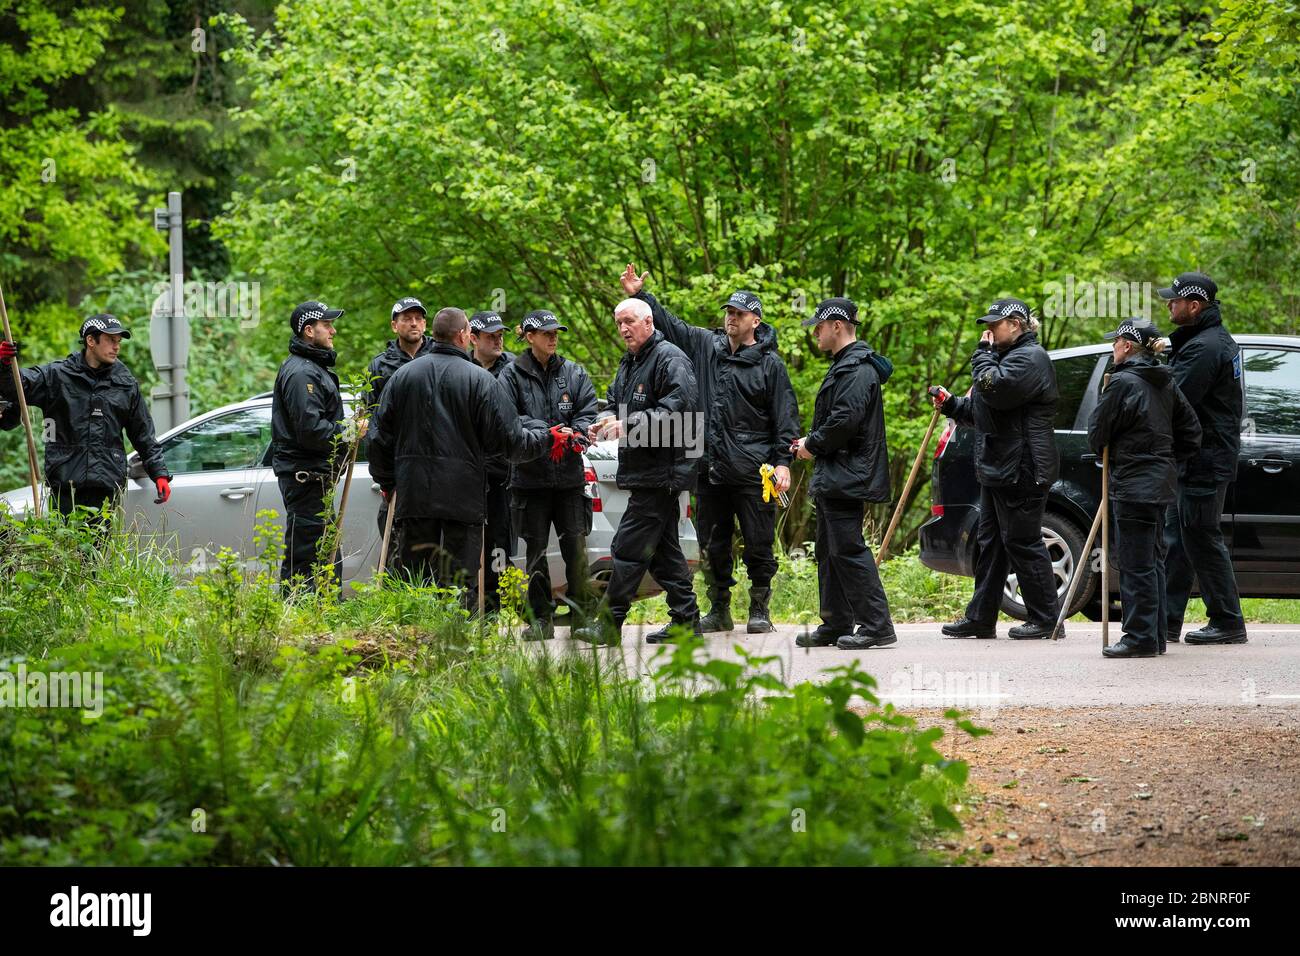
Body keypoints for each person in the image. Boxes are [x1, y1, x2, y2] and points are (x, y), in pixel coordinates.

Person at [619, 265, 800, 634]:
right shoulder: (707, 347)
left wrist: (783, 462)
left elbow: (786, 418)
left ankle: (760, 608)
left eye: (739, 314)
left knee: (758, 544)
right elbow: (670, 325)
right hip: (710, 467)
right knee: (713, 543)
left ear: (756, 321)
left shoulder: (770, 365)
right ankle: (719, 608)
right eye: (728, 313)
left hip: (753, 471)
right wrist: (641, 297)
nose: (731, 319)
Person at [367, 307, 549, 607]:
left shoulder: (402, 376)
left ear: (433, 334)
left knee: (415, 576)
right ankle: (455, 644)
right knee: (459, 579)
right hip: (462, 496)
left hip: (415, 495)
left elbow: (378, 437)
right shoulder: (480, 380)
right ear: (464, 336)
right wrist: (545, 437)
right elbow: (510, 440)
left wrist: (388, 480)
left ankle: (415, 645)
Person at [572, 297, 701, 645]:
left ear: (648, 322)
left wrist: (627, 425)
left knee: (627, 547)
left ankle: (609, 623)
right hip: (640, 468)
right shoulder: (629, 363)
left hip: (665, 471)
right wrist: (602, 422)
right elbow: (613, 403)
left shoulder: (671, 359)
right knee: (662, 550)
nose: (623, 329)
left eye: (629, 321)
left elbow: (681, 415)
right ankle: (687, 620)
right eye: (618, 323)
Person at [931, 298, 1061, 640]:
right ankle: (981, 617)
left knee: (1022, 540)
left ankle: (1047, 619)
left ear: (1016, 324)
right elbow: (985, 410)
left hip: (1023, 466)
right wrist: (952, 405)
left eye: (995, 324)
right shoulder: (1006, 359)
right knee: (991, 543)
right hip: (1000, 467)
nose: (988, 331)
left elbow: (995, 390)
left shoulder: (1030, 359)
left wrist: (982, 355)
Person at [1088, 319, 1202, 658]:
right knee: (1153, 559)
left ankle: (1138, 637)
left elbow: (1098, 434)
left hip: (1133, 485)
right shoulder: (1165, 381)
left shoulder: (1121, 382)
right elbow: (1192, 432)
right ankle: (1155, 635)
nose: (1113, 348)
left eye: (1115, 342)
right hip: (1160, 482)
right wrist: (1164, 458)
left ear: (1125, 345)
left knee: (1136, 562)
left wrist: (1132, 454)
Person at [790, 297, 897, 649]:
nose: (815, 333)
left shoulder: (856, 369)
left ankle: (876, 626)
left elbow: (844, 422)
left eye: (818, 326)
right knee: (829, 550)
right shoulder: (845, 365)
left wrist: (812, 444)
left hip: (847, 473)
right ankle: (836, 623)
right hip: (837, 473)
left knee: (848, 548)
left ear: (837, 325)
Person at [0, 315, 171, 530]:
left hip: (106, 486)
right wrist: (5, 364)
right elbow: (16, 388)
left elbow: (143, 434)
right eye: (110, 340)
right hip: (65, 485)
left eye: (118, 341)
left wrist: (160, 474)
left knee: (97, 556)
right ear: (91, 341)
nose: (116, 347)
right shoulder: (56, 376)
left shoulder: (126, 384)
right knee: (67, 554)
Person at [1158, 272, 1248, 645]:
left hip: (1205, 459)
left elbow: (1174, 400)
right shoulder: (1203, 341)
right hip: (1200, 456)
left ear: (1195, 305)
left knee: (1201, 537)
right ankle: (1166, 622)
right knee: (1180, 538)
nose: (1169, 305)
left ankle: (1227, 620)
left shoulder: (1207, 348)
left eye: (1174, 301)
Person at [498, 310, 599, 639]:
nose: (553, 337)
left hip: (569, 479)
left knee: (576, 550)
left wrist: (577, 433)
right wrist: (549, 433)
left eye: (556, 332)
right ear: (529, 337)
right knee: (536, 553)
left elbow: (588, 412)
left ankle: (582, 617)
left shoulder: (573, 372)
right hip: (529, 480)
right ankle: (540, 620)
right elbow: (510, 422)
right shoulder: (510, 375)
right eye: (546, 333)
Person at [271, 300, 361, 595]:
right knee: (308, 559)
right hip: (306, 477)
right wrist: (350, 431)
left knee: (324, 554)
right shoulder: (302, 374)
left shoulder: (312, 368)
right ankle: (300, 622)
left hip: (315, 478)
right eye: (327, 325)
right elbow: (310, 430)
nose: (333, 330)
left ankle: (321, 618)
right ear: (309, 331)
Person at [364, 297, 434, 569]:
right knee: (395, 538)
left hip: (435, 463)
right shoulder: (380, 366)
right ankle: (398, 602)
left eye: (418, 317)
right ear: (395, 326)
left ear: (426, 324)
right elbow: (371, 423)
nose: (413, 323)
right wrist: (384, 476)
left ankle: (435, 605)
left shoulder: (440, 356)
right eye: (406, 318)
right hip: (398, 466)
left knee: (435, 543)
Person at [469, 310, 516, 611]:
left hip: (502, 469)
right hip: (469, 469)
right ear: (473, 338)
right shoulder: (461, 366)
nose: (498, 339)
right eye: (490, 335)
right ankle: (471, 602)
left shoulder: (513, 369)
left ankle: (496, 605)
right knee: (470, 538)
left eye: (501, 334)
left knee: (499, 540)